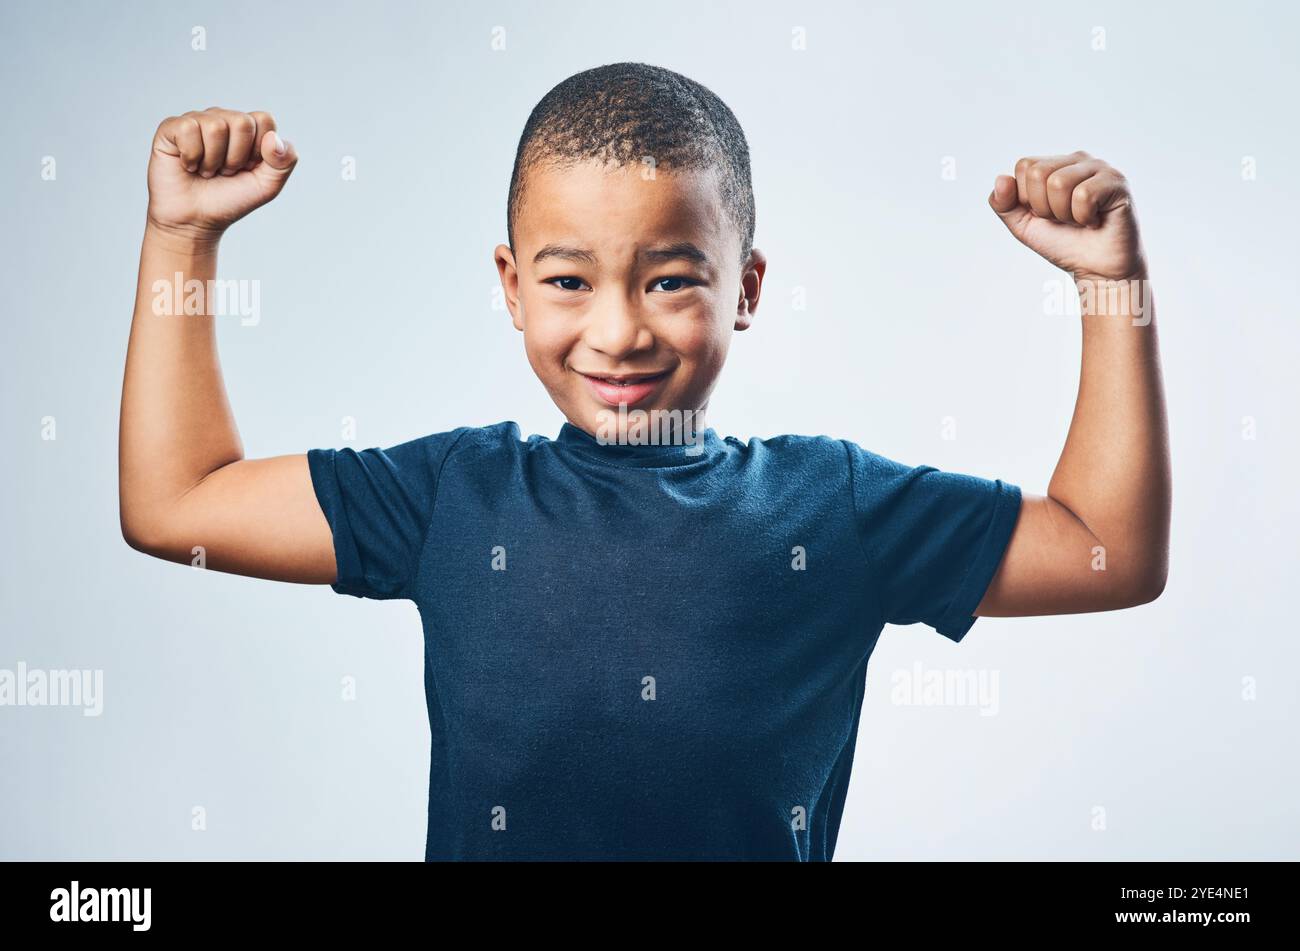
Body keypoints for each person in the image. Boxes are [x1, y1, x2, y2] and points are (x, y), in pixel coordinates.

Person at [118, 62, 1170, 860]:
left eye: (671, 279)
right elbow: (178, 504)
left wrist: (1107, 285)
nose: (618, 332)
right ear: (512, 283)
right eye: (570, 281)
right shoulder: (449, 496)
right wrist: (182, 240)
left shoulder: (832, 506)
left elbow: (1105, 551)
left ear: (746, 288)